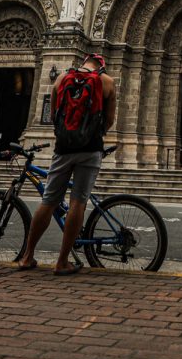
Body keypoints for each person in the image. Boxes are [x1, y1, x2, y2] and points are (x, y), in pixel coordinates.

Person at [15, 54, 117, 275]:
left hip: (63, 148)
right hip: (90, 149)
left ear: (83, 62)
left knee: (49, 200)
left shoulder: (62, 78)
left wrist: (66, 135)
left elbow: (53, 115)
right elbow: (109, 120)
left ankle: (27, 256)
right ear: (101, 65)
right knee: (77, 203)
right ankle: (62, 261)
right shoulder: (106, 81)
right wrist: (95, 134)